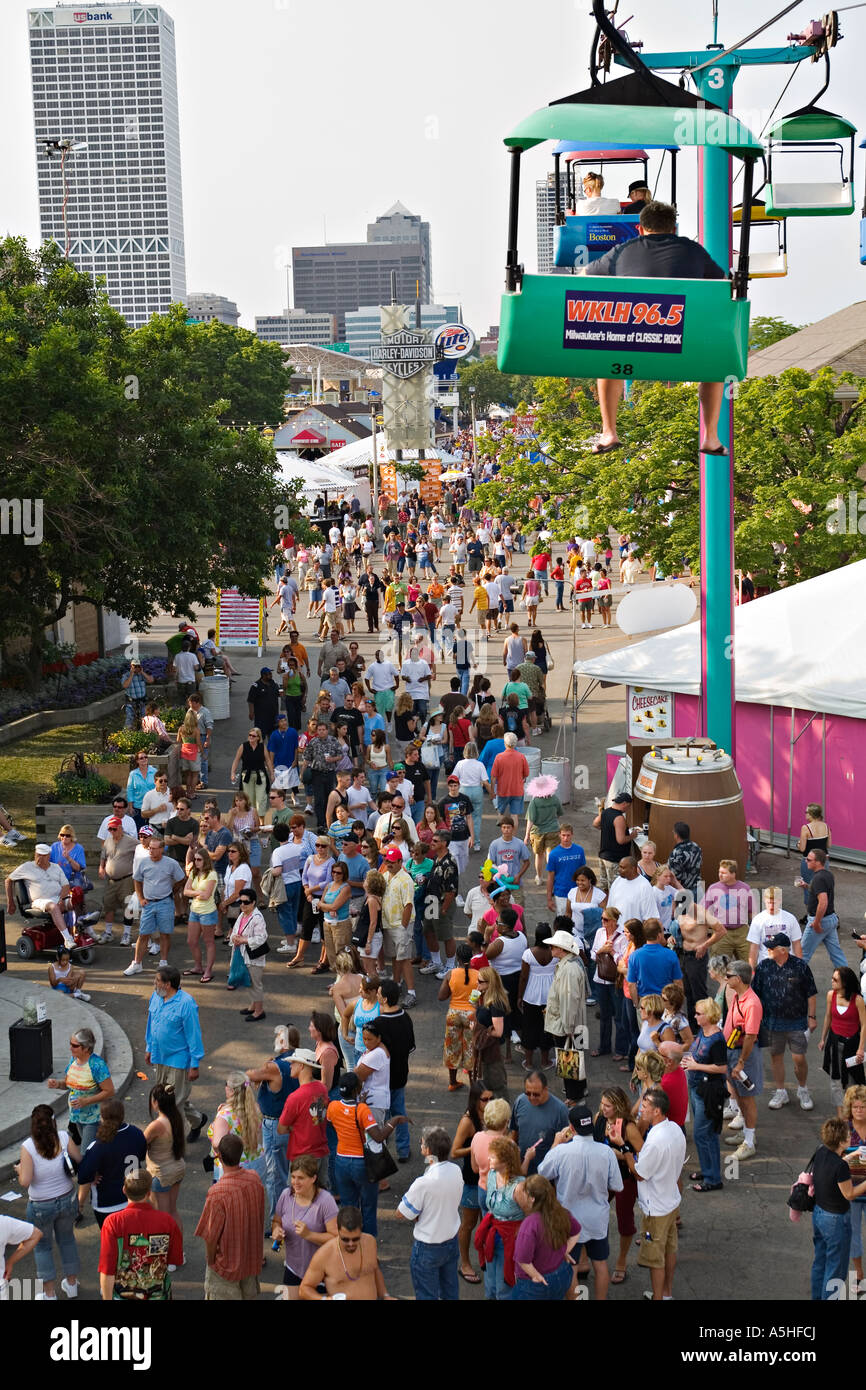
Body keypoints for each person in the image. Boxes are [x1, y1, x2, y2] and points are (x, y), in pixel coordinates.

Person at [585, 200, 728, 456]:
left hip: (635, 347)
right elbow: (723, 285)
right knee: (715, 367)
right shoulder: (694, 251)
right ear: (674, 229)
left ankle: (609, 432)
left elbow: (585, 276)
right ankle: (712, 437)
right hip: (684, 347)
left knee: (607, 363)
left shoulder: (622, 251)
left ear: (639, 229)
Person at [621, 1086, 687, 1300]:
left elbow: (639, 1174)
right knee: (669, 1250)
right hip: (671, 1202)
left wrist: (626, 1152)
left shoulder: (655, 1141)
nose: (641, 1109)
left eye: (646, 1106)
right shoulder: (676, 1129)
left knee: (655, 1257)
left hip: (655, 1209)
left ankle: (658, 1297)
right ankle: (666, 1293)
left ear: (657, 1111)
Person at [327, 1071, 406, 1236]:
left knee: (348, 1207)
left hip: (341, 1163)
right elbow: (378, 1137)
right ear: (357, 1090)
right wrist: (394, 1121)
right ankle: (369, 1247)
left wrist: (358, 1104)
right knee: (368, 1207)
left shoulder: (333, 1106)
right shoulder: (362, 1110)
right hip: (362, 1164)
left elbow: (337, 1116)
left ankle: (349, 1243)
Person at [16, 1105, 81, 1301]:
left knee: (42, 1247)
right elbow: (79, 1159)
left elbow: (25, 1181)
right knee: (67, 1240)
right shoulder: (62, 1137)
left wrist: (19, 1170)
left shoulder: (28, 1147)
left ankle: (49, 1293)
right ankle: (71, 1285)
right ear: (53, 1121)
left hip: (40, 1206)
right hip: (67, 1198)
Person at [195, 1133, 266, 1300]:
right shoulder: (254, 1179)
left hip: (225, 1266)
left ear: (219, 1157)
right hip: (249, 1258)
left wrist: (211, 1261)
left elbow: (211, 1236)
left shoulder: (218, 1192)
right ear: (241, 1154)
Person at [753, 933, 818, 1112]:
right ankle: (781, 1091)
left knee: (799, 1058)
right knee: (776, 1057)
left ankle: (803, 1089)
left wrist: (812, 1017)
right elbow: (755, 993)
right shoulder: (763, 967)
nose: (767, 950)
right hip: (772, 1022)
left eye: (771, 948)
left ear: (782, 950)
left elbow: (811, 993)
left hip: (797, 1021)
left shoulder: (800, 966)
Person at [397, 1125, 464, 1301]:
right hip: (450, 1242)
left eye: (421, 1143)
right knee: (450, 1292)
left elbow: (401, 1213)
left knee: (427, 1295)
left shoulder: (423, 1183)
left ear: (427, 1150)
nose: (420, 1146)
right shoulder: (456, 1171)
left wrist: (419, 1214)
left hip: (428, 1247)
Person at [99, 1169, 182, 1301]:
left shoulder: (113, 1223)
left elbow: (107, 1270)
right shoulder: (167, 1221)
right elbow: (175, 1259)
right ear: (149, 1193)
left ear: (124, 1190)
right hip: (159, 1295)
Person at [144, 965, 207, 1141]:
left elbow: (194, 1036)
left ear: (168, 984)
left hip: (179, 1060)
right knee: (174, 1098)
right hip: (159, 1057)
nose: (154, 984)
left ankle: (174, 1147)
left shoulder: (186, 1004)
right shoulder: (156, 997)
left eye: (157, 981)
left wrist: (194, 1064)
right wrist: (149, 1048)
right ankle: (198, 1120)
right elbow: (151, 1025)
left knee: (171, 1105)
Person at [809, 1117, 866, 1300]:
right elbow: (849, 1194)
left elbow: (834, 1163)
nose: (851, 1136)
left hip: (819, 1213)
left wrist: (850, 1155)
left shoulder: (821, 1152)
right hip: (836, 1221)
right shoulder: (841, 1166)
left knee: (820, 1262)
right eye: (848, 1135)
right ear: (841, 1141)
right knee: (836, 1271)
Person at [591, 1088, 643, 1283]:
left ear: (618, 1106)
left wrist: (620, 1153)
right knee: (594, 1211)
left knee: (624, 1220)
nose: (603, 1108)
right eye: (602, 1104)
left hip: (624, 1179)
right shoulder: (599, 1118)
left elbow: (644, 1154)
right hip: (602, 1178)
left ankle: (621, 1260)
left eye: (608, 1106)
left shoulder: (628, 1127)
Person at [679, 997, 728, 1194]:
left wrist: (695, 1065)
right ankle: (708, 1170)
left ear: (708, 1016)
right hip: (698, 1088)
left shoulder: (716, 1039)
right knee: (706, 1135)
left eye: (699, 1013)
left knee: (702, 1134)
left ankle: (712, 1178)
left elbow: (722, 1067)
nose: (695, 1016)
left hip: (709, 1092)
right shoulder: (704, 1031)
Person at [272, 1155, 339, 1299]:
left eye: (301, 1178)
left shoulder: (326, 1201)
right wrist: (276, 1230)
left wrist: (309, 1235)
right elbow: (277, 1221)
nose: (295, 1182)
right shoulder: (286, 1195)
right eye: (293, 1177)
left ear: (313, 1178)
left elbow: (336, 1238)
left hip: (320, 1271)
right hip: (293, 1267)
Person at [299, 1205, 394, 1300]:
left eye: (356, 1239)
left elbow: (375, 1270)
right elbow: (304, 1289)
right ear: (338, 1230)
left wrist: (385, 1295)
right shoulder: (324, 1254)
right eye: (345, 1239)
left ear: (361, 1228)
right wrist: (324, 1299)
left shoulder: (370, 1242)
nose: (351, 1244)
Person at [124, 834, 186, 976]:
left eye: (154, 848)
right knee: (143, 934)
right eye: (150, 848)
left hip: (165, 902)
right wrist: (140, 898)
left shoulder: (171, 863)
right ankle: (137, 963)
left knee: (165, 933)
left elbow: (182, 878)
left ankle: (163, 961)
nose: (150, 851)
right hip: (149, 904)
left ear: (162, 849)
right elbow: (137, 880)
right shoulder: (143, 862)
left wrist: (173, 890)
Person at [45, 1026, 114, 1152]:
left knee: (85, 1152)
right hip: (76, 1116)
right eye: (70, 1044)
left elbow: (109, 1091)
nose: (70, 1048)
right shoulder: (73, 1060)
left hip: (93, 1118)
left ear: (86, 1048)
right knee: (92, 1150)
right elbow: (68, 1083)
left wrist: (86, 1101)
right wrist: (57, 1084)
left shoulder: (97, 1065)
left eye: (75, 1045)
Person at [475, 1135, 526, 1300]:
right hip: (492, 1234)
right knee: (490, 1283)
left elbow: (531, 1214)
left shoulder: (519, 1186)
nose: (488, 1158)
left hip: (510, 1239)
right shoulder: (491, 1174)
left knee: (504, 1287)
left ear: (506, 1161)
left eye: (493, 1156)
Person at [722, 960, 763, 1162]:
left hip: (743, 1055)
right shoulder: (739, 996)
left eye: (728, 975)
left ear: (738, 979)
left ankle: (749, 1141)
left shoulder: (752, 1003)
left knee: (747, 1099)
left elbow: (750, 1036)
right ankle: (747, 1132)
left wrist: (740, 1063)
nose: (726, 978)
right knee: (739, 1095)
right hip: (733, 1052)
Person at [543, 928, 588, 1103]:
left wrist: (568, 1027)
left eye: (554, 946)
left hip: (568, 1025)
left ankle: (574, 1097)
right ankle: (580, 1090)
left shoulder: (568, 969)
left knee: (568, 1060)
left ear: (561, 949)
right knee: (576, 1057)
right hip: (574, 1022)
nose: (551, 949)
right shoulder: (570, 965)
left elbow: (569, 1000)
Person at [5, 844, 76, 949]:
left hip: (58, 897)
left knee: (77, 901)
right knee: (53, 906)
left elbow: (66, 885)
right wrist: (10, 902)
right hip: (39, 901)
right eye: (37, 855)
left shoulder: (56, 867)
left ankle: (87, 933)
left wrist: (61, 899)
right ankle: (68, 940)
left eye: (43, 856)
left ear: (48, 856)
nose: (39, 858)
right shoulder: (27, 867)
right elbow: (8, 880)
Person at [376, 979, 415, 1164]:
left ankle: (379, 1149)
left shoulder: (378, 1024)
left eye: (378, 993)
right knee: (399, 1111)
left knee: (380, 1116)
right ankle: (403, 1149)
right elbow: (411, 1047)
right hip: (401, 1074)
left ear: (383, 999)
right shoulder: (405, 1017)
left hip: (382, 1078)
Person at [277, 1049, 329, 1187]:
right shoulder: (322, 1088)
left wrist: (294, 1127)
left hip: (302, 1157)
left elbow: (281, 1129)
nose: (290, 1066)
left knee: (298, 1200)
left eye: (293, 1063)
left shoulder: (295, 1098)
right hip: (321, 1152)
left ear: (301, 1066)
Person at [143, 1081, 186, 1241]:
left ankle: (164, 1257)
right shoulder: (176, 1117)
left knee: (160, 1216)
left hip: (161, 1173)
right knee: (173, 1211)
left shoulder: (156, 1125)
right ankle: (178, 1252)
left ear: (155, 1102)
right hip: (177, 1167)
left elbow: (141, 1142)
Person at [819, 968, 866, 1111]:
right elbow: (828, 1017)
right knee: (836, 1080)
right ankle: (841, 1115)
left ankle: (854, 1112)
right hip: (834, 1043)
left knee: (853, 1080)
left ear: (845, 982)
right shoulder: (830, 995)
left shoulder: (857, 1000)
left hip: (852, 1044)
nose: (832, 982)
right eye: (832, 978)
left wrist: (860, 1048)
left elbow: (864, 1024)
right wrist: (823, 1038)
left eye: (835, 980)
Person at [510, 1070, 569, 1176]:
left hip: (544, 1174)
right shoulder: (520, 1101)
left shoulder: (560, 1110)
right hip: (520, 1169)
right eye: (528, 1093)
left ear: (545, 1089)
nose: (531, 1098)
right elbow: (514, 1132)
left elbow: (564, 1144)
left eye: (536, 1094)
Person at [381, 844, 417, 1007]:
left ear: (400, 862)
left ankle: (411, 993)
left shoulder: (405, 880)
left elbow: (408, 905)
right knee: (395, 957)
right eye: (387, 860)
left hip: (401, 925)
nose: (389, 864)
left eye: (393, 861)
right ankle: (396, 984)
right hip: (388, 924)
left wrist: (403, 928)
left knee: (404, 959)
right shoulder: (385, 875)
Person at [229, 887, 270, 1022]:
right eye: (241, 902)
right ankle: (253, 1006)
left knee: (255, 984)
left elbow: (262, 937)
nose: (242, 905)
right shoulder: (243, 915)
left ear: (253, 903)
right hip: (243, 954)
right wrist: (234, 937)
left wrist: (244, 940)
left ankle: (259, 1011)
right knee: (249, 982)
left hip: (253, 956)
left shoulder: (257, 918)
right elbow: (236, 930)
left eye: (246, 902)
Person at [801, 848, 845, 969]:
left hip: (821, 920)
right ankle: (848, 983)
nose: (806, 861)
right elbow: (821, 891)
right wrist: (807, 886)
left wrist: (816, 922)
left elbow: (823, 902)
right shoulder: (827, 875)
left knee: (801, 956)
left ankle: (792, 984)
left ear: (818, 862)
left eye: (809, 859)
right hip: (831, 919)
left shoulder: (818, 878)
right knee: (837, 956)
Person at [592, 792, 640, 892]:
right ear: (625, 804)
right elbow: (621, 840)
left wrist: (607, 830)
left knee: (604, 888)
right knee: (615, 889)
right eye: (629, 806)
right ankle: (613, 907)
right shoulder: (619, 818)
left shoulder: (605, 812)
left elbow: (595, 824)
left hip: (603, 856)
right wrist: (632, 836)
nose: (628, 808)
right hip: (614, 859)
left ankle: (606, 907)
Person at [524, 774, 563, 886]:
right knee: (551, 854)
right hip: (553, 830)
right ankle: (553, 877)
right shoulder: (555, 798)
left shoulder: (535, 801)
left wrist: (526, 835)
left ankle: (539, 877)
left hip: (537, 832)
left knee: (539, 855)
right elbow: (559, 813)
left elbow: (531, 820)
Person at [546, 824, 587, 918]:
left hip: (578, 891)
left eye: (568, 835)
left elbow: (583, 872)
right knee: (563, 920)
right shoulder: (554, 854)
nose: (565, 838)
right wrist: (549, 898)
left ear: (572, 835)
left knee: (579, 919)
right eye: (563, 835)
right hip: (561, 893)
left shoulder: (579, 850)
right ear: (559, 835)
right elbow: (550, 877)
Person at [798, 802, 832, 911]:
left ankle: (811, 914)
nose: (805, 814)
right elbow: (829, 845)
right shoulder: (826, 826)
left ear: (811, 814)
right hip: (824, 860)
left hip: (810, 861)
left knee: (807, 886)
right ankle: (823, 912)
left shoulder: (806, 828)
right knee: (822, 887)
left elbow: (802, 848)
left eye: (806, 812)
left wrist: (797, 844)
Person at [667, 822, 704, 900]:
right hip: (698, 888)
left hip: (684, 892)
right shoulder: (696, 847)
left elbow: (675, 876)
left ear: (676, 835)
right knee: (698, 912)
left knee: (684, 912)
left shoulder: (677, 852)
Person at [247, 666, 280, 739]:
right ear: (263, 675)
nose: (271, 675)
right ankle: (261, 750)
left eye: (271, 674)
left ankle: (270, 750)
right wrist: (251, 712)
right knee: (260, 737)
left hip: (273, 715)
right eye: (269, 674)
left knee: (272, 737)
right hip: (261, 717)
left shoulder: (273, 683)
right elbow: (250, 700)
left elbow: (278, 694)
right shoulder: (256, 686)